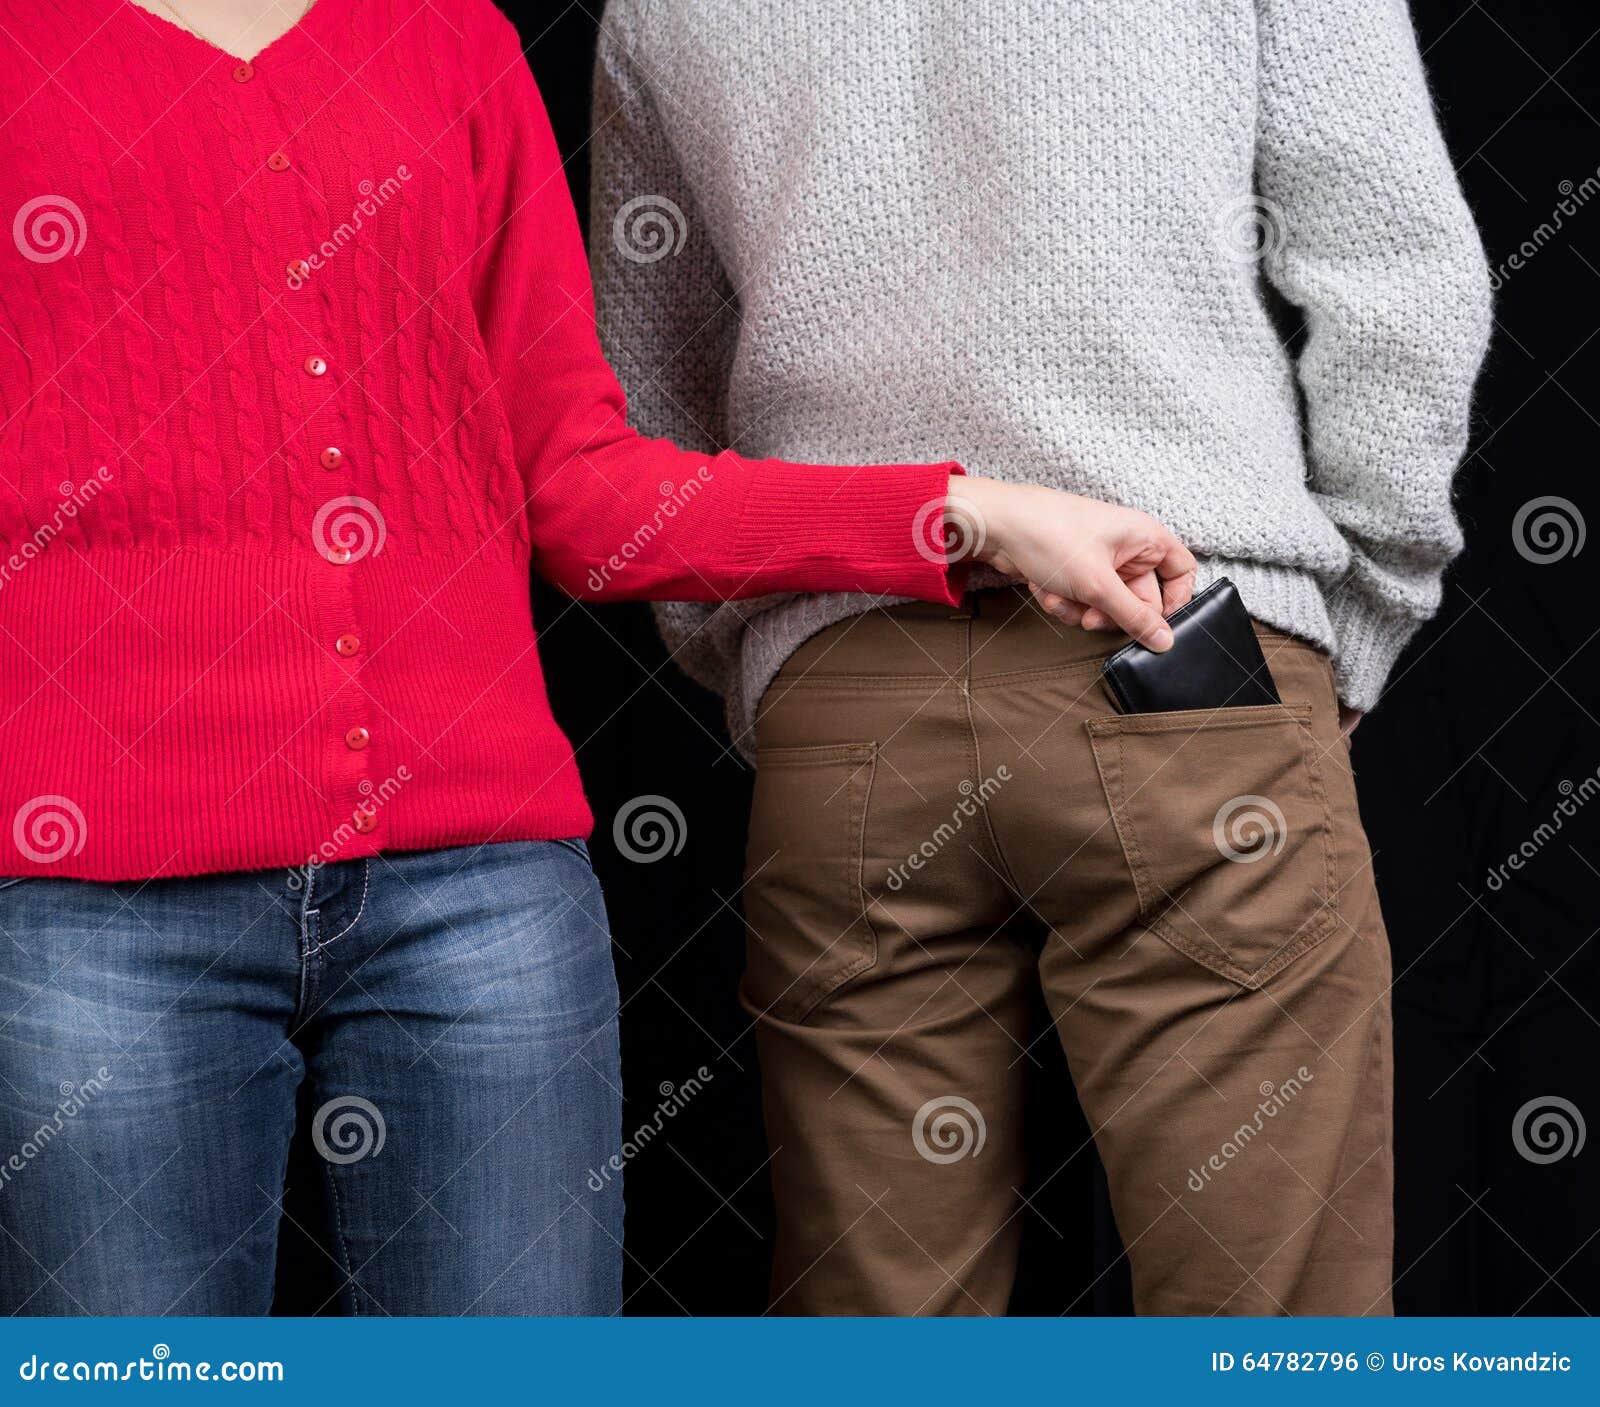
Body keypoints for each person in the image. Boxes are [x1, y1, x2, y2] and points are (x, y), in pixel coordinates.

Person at [0, 0, 1194, 1316]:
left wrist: (971, 516)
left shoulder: (447, 37)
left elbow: (586, 495)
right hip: (88, 901)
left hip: (480, 893)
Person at [590, 0, 1493, 1314]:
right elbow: (1403, 277)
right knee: (1273, 1330)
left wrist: (775, 664)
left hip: (847, 696)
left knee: (877, 1329)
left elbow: (650, 385)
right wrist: (1355, 615)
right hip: (1187, 649)